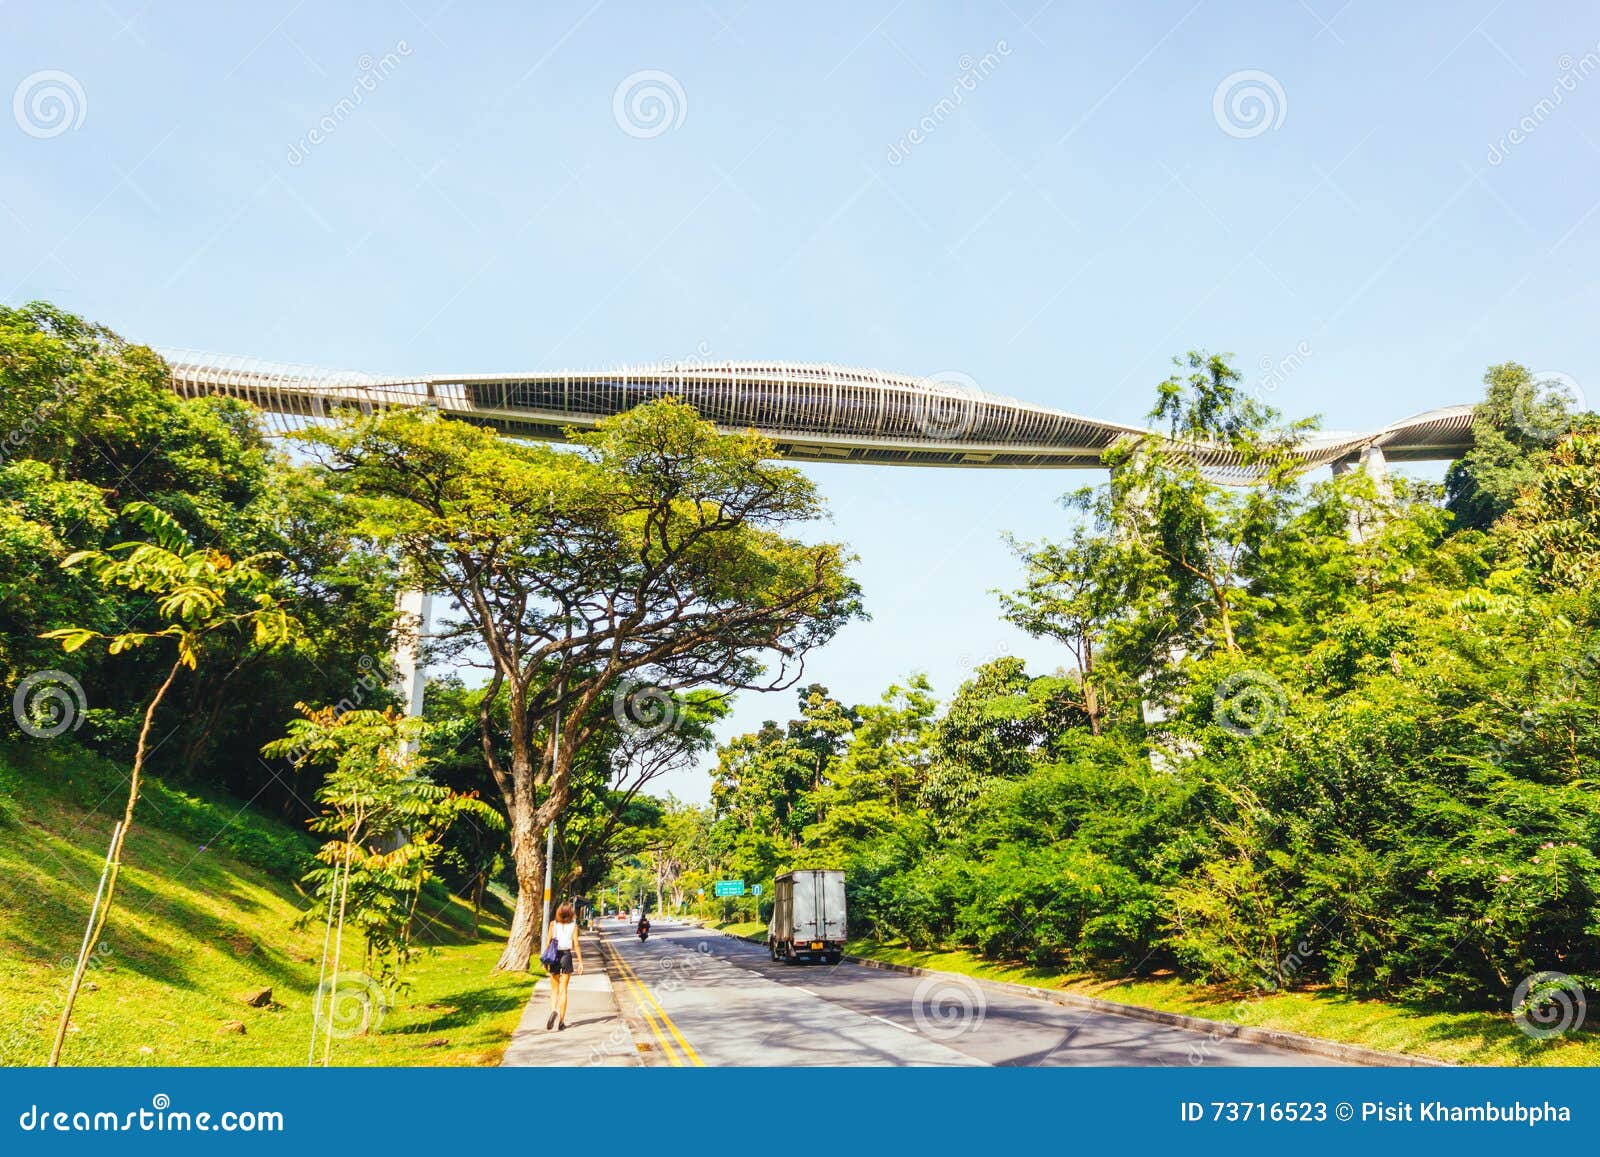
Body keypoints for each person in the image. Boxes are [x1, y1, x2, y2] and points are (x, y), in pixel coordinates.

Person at [544, 901, 583, 1031]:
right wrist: (580, 962)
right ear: (571, 913)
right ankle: (561, 1021)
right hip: (566, 955)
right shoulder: (574, 926)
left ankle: (553, 1010)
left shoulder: (552, 924)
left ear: (559, 912)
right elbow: (576, 944)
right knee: (564, 990)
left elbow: (548, 942)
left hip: (554, 955)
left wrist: (546, 960)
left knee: (554, 989)